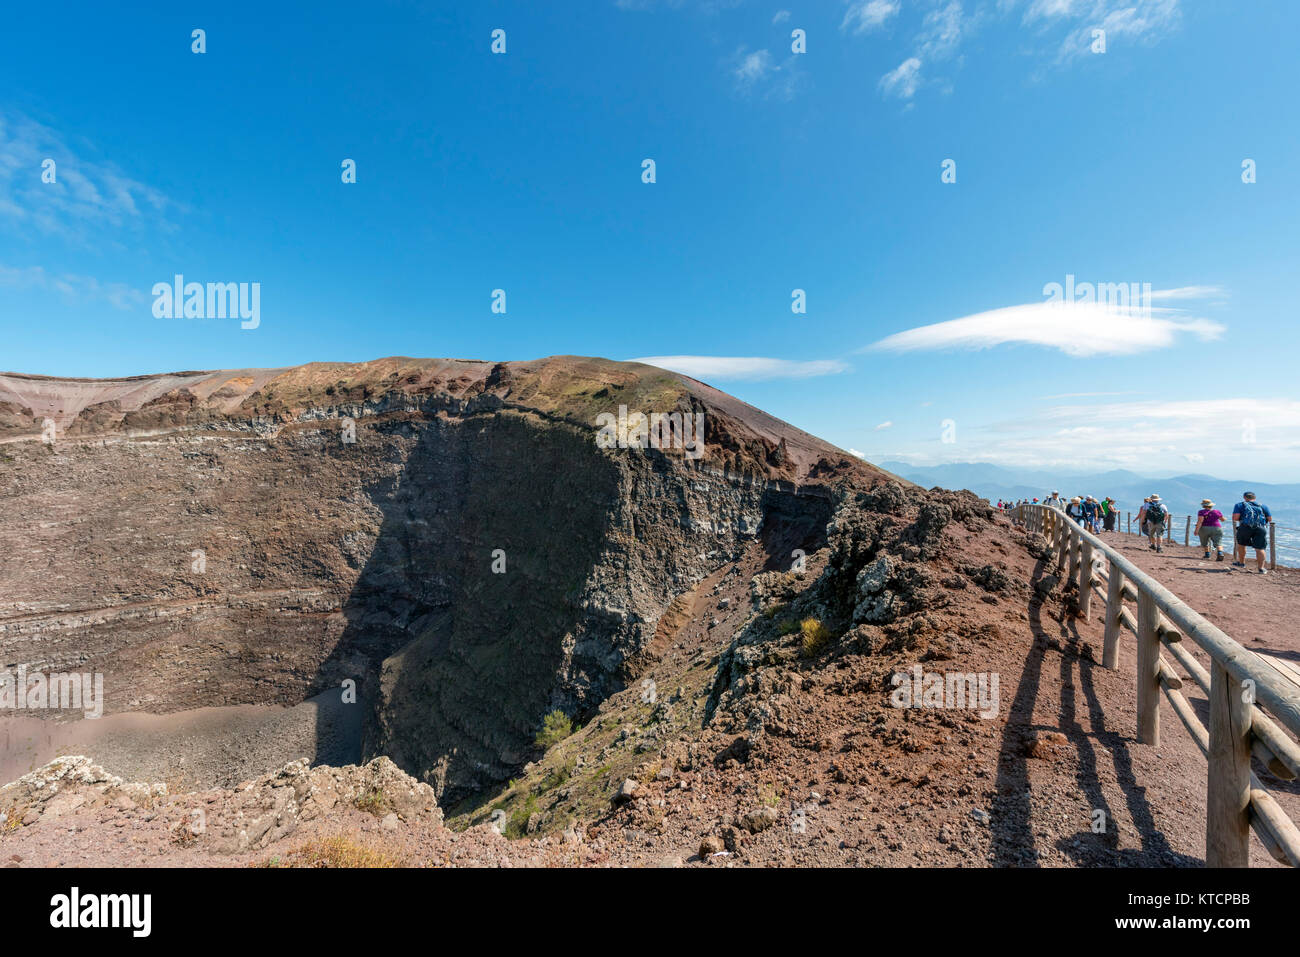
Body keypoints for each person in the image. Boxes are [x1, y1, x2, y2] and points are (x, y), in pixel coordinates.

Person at [1232, 491, 1273, 574]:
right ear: (1254, 498)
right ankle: (1261, 568)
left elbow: (1235, 518)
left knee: (1241, 544)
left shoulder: (1239, 505)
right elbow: (1270, 519)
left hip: (1245, 527)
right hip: (1260, 528)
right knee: (1260, 548)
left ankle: (1242, 563)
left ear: (1244, 497)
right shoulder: (1263, 506)